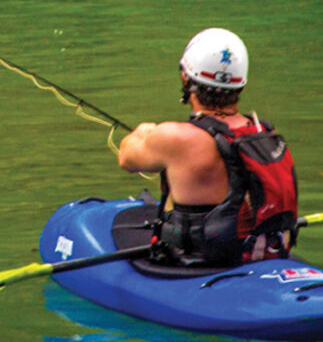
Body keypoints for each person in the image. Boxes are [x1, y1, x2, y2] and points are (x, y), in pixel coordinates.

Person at [118, 28, 298, 267]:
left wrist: (143, 131)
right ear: (241, 86)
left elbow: (126, 158)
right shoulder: (262, 131)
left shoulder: (174, 137)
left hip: (205, 261)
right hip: (260, 252)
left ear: (186, 78)